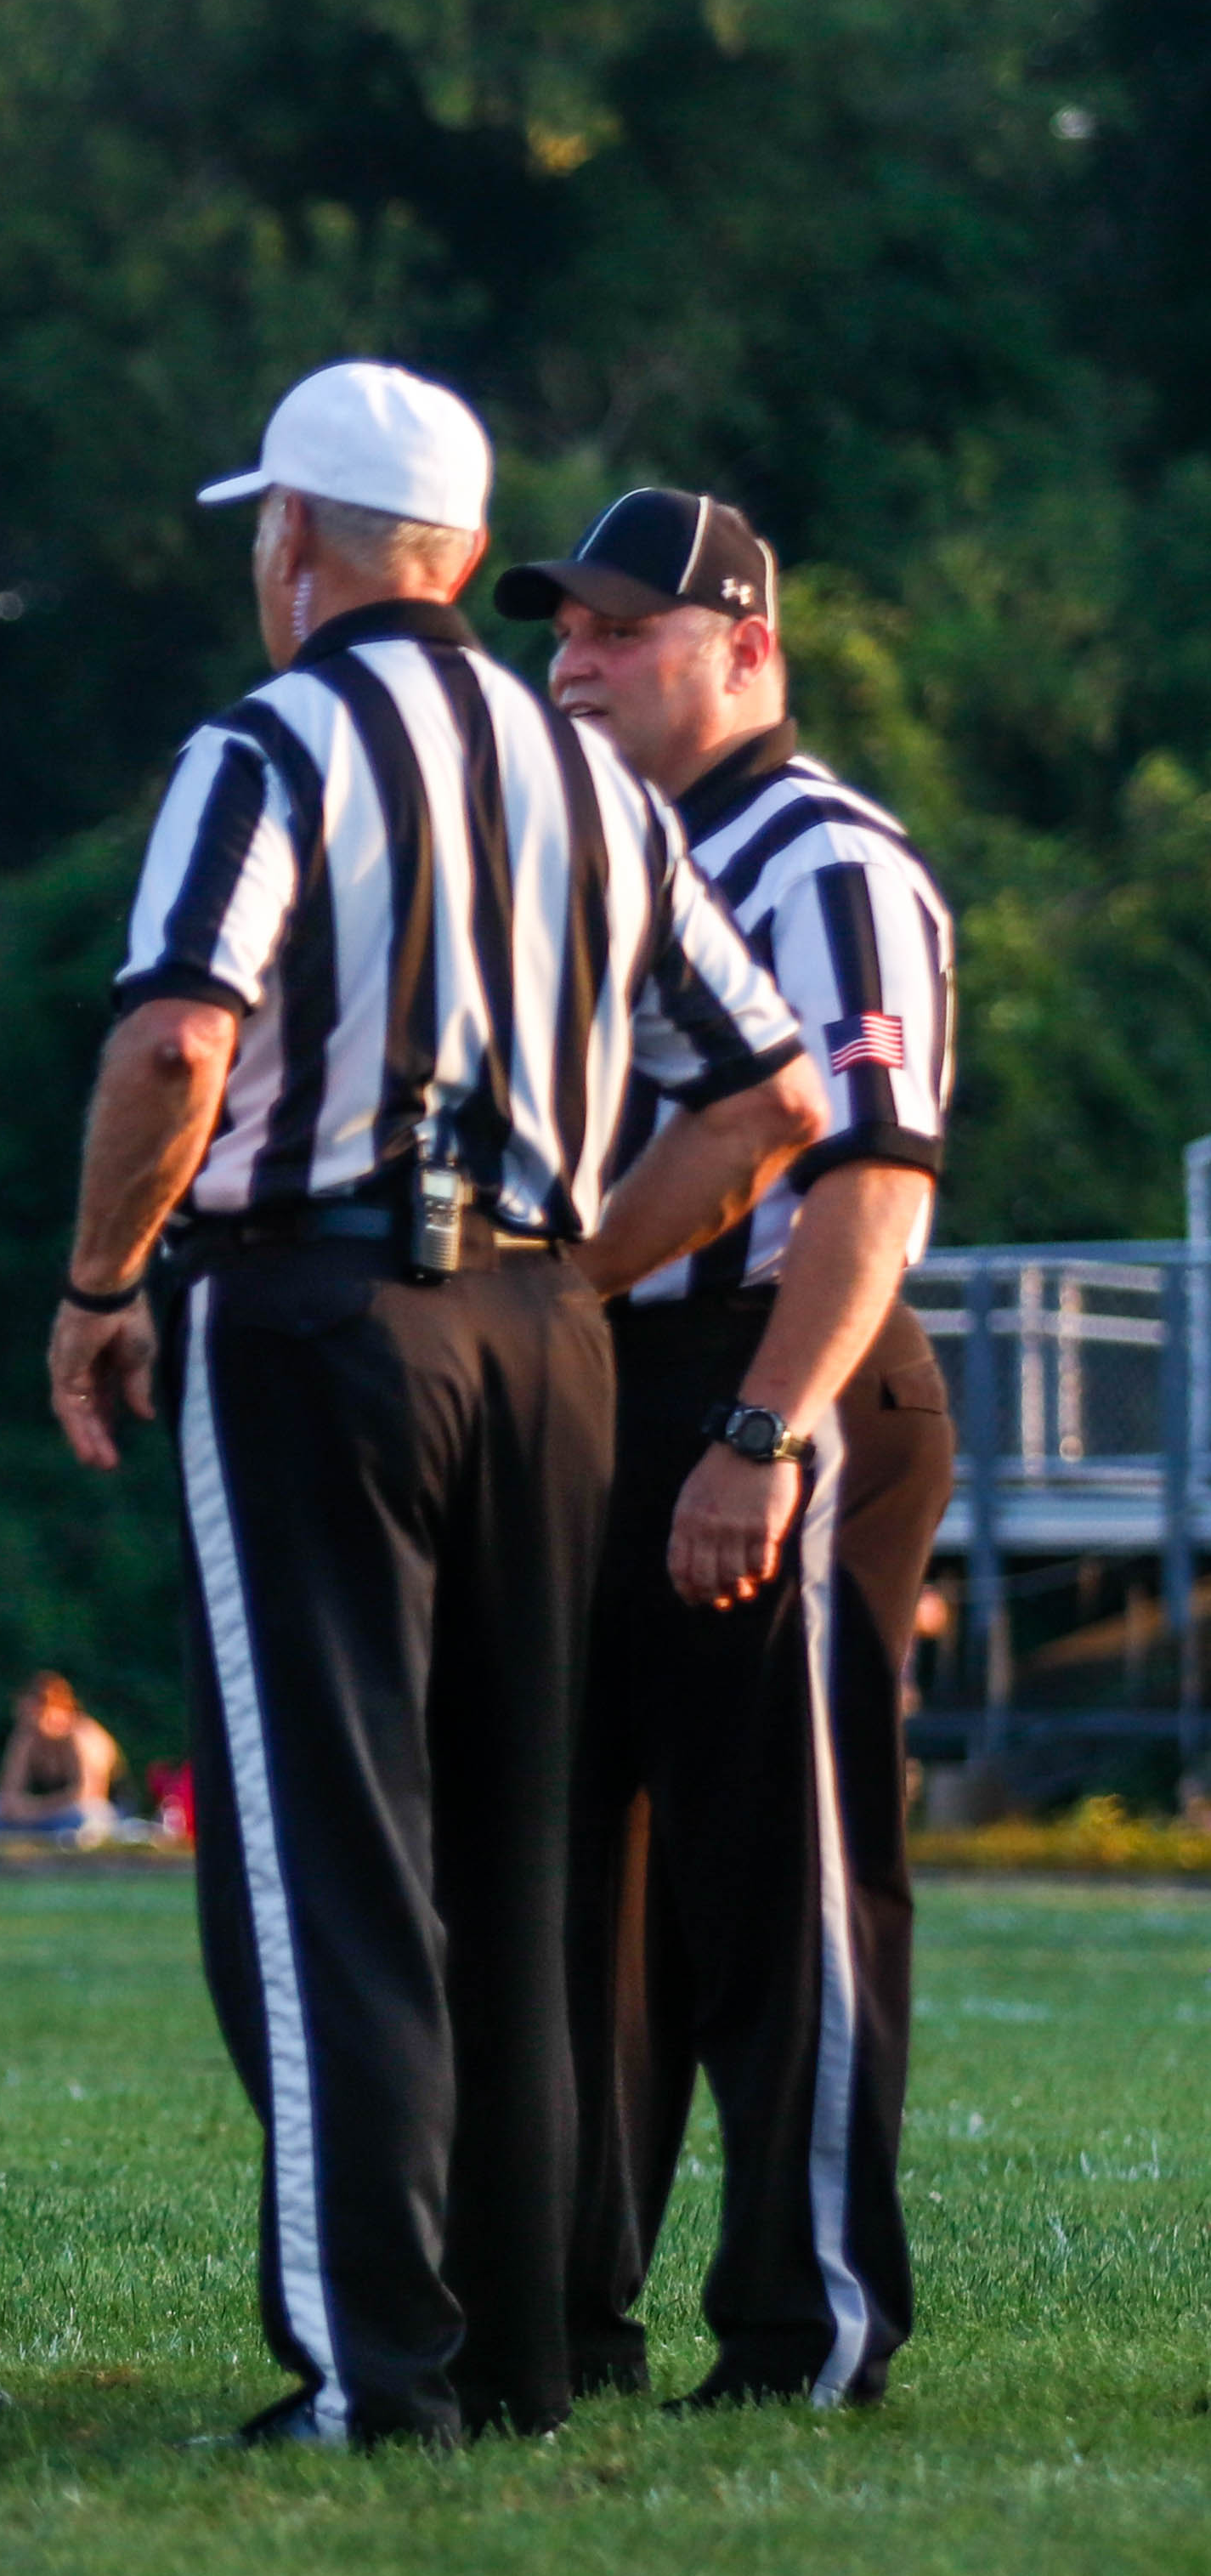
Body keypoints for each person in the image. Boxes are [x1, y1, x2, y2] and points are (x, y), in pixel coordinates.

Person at [46, 363, 823, 2449]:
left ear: (294, 541)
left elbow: (171, 1049)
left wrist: (101, 1279)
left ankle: (370, 2363)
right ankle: (516, 2355)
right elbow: (776, 1091)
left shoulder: (271, 737)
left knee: (326, 1849)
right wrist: (569, 1277)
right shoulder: (592, 779)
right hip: (541, 1344)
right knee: (514, 1852)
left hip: (317, 1307)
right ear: (469, 560)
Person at [505, 487, 960, 2410]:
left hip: (779, 1372)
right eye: (564, 630)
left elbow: (868, 1184)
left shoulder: (822, 858)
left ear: (745, 646)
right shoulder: (592, 849)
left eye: (622, 630)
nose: (573, 661)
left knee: (780, 1883)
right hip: (603, 1379)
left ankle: (807, 2323)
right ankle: (562, 2317)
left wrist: (759, 1432)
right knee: (574, 1895)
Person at [0, 1673, 124, 1843]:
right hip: (42, 1813)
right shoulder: (26, 1737)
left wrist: (36, 1810)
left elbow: (89, 1794)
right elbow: (8, 1790)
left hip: (93, 1810)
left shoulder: (82, 1737)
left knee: (85, 1817)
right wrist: (21, 1808)